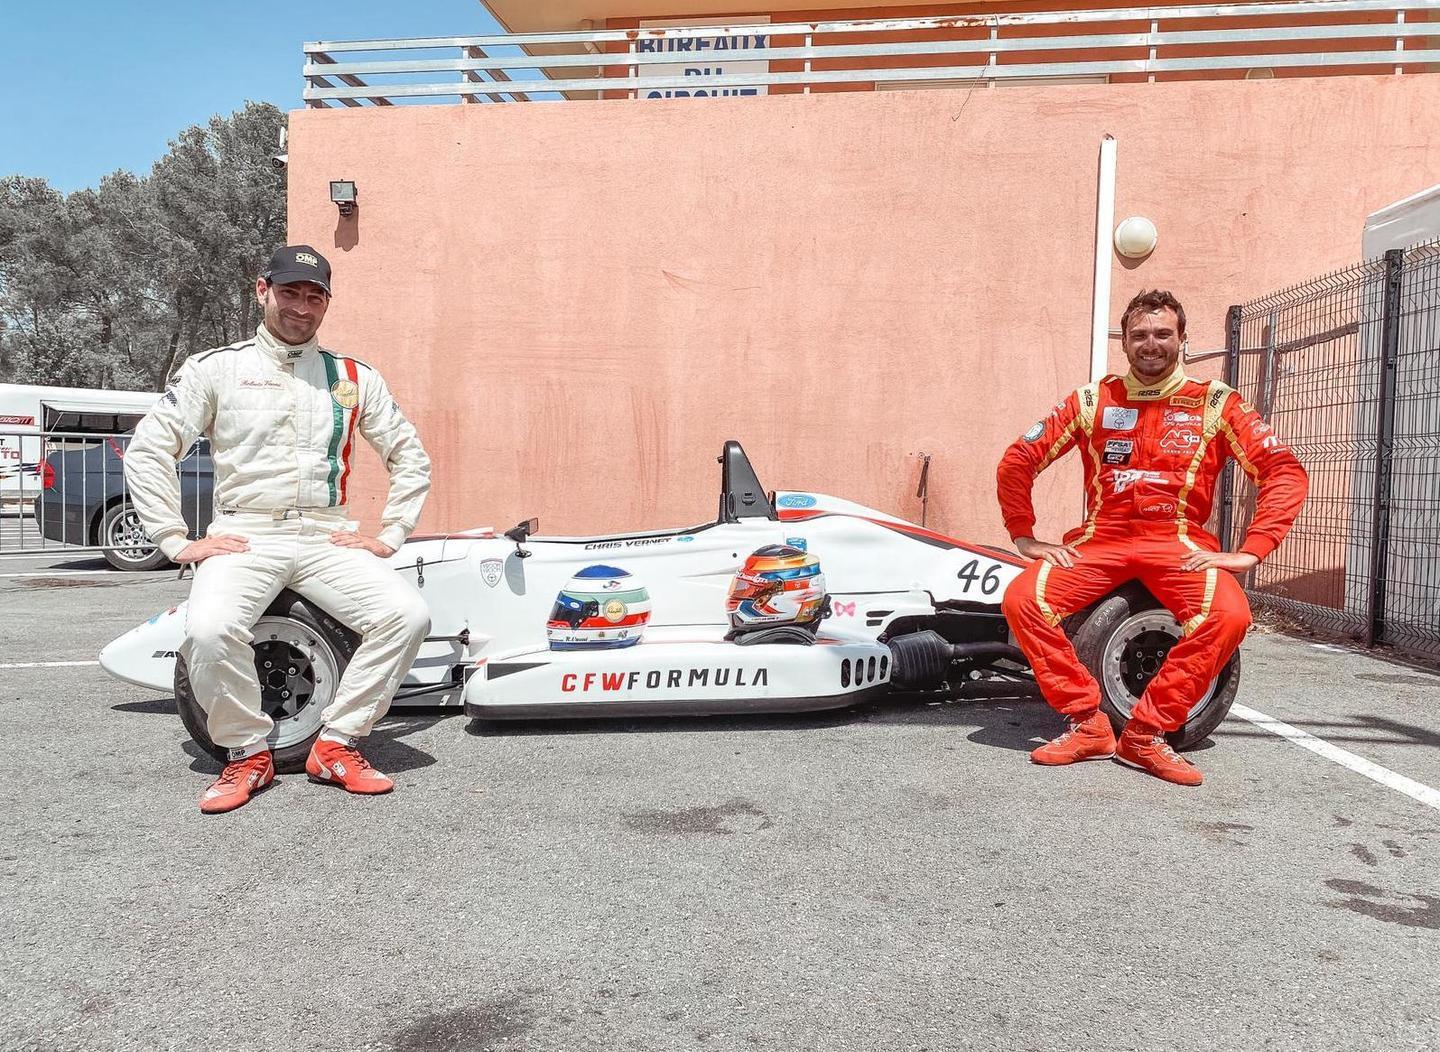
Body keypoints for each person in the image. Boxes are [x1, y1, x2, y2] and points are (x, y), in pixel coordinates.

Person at [125, 245, 432, 814]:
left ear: (326, 304)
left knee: (407, 616)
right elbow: (149, 449)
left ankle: (337, 744)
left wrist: (391, 533)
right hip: (246, 534)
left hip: (325, 535)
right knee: (211, 629)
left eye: (315, 297)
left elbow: (409, 456)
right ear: (262, 289)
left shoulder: (352, 376)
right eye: (290, 292)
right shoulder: (216, 369)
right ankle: (248, 754)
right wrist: (174, 538)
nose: (302, 307)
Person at [996, 289, 1307, 786]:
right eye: (1139, 335)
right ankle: (1088, 723)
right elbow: (1018, 459)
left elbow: (1283, 471)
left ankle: (1146, 736)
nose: (1151, 344)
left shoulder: (1217, 403)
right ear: (1125, 343)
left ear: (1182, 339)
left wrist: (1253, 549)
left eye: (1163, 333)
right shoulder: (1092, 400)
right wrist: (1024, 536)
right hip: (1101, 540)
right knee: (1022, 600)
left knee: (1230, 615)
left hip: (1178, 544)